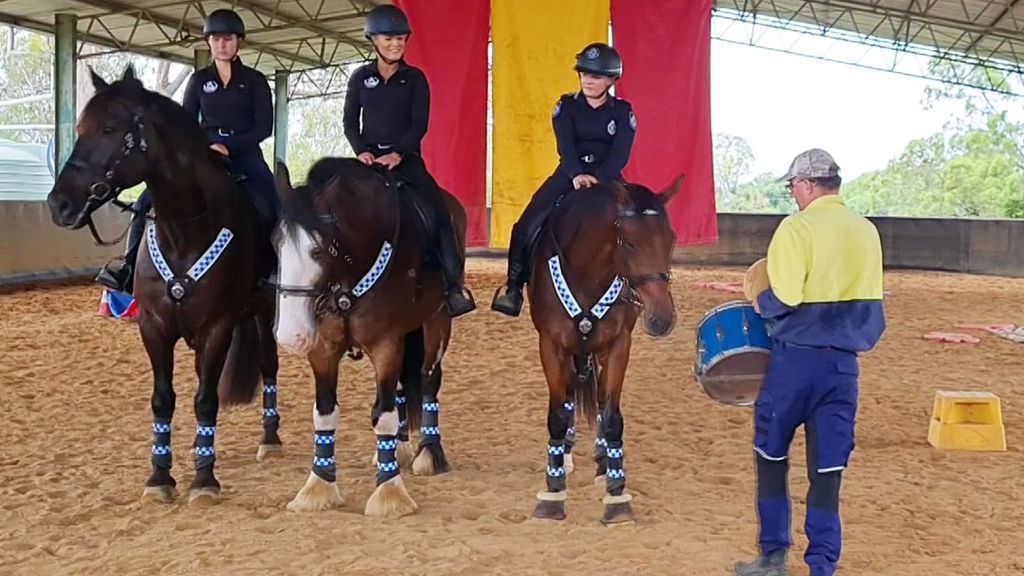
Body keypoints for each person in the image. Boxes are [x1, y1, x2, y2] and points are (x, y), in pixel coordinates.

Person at [734, 149, 886, 576]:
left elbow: (785, 297)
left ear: (805, 184)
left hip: (794, 364)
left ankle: (773, 556)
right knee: (828, 469)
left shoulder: (796, 227)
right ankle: (822, 566)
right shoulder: (866, 231)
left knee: (770, 454)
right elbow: (874, 308)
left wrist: (758, 300)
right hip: (842, 369)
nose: (792, 195)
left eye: (792, 188)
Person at [96, 8, 278, 294]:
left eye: (228, 39)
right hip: (203, 154)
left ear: (238, 42)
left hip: (245, 154)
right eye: (216, 39)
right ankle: (128, 266)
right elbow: (186, 123)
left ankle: (274, 268)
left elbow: (264, 127)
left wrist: (229, 146)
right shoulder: (198, 81)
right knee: (146, 200)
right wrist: (206, 146)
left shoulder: (254, 81)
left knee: (272, 200)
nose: (222, 44)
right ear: (208, 43)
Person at [342, 4, 475, 318]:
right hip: (368, 159)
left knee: (440, 212)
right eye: (389, 39)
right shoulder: (360, 78)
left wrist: (398, 153)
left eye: (401, 39)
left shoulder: (415, 79)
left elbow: (419, 124)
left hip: (406, 159)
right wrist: (362, 150)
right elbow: (349, 122)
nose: (396, 44)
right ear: (373, 40)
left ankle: (453, 287)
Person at [490, 42, 636, 317]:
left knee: (640, 226)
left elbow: (620, 154)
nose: (588, 80)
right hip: (569, 173)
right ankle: (513, 289)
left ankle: (640, 287)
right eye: (584, 74)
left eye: (595, 76)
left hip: (608, 178)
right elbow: (565, 146)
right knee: (525, 224)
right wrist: (575, 174)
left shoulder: (622, 112)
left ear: (611, 80)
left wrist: (599, 178)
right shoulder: (565, 106)